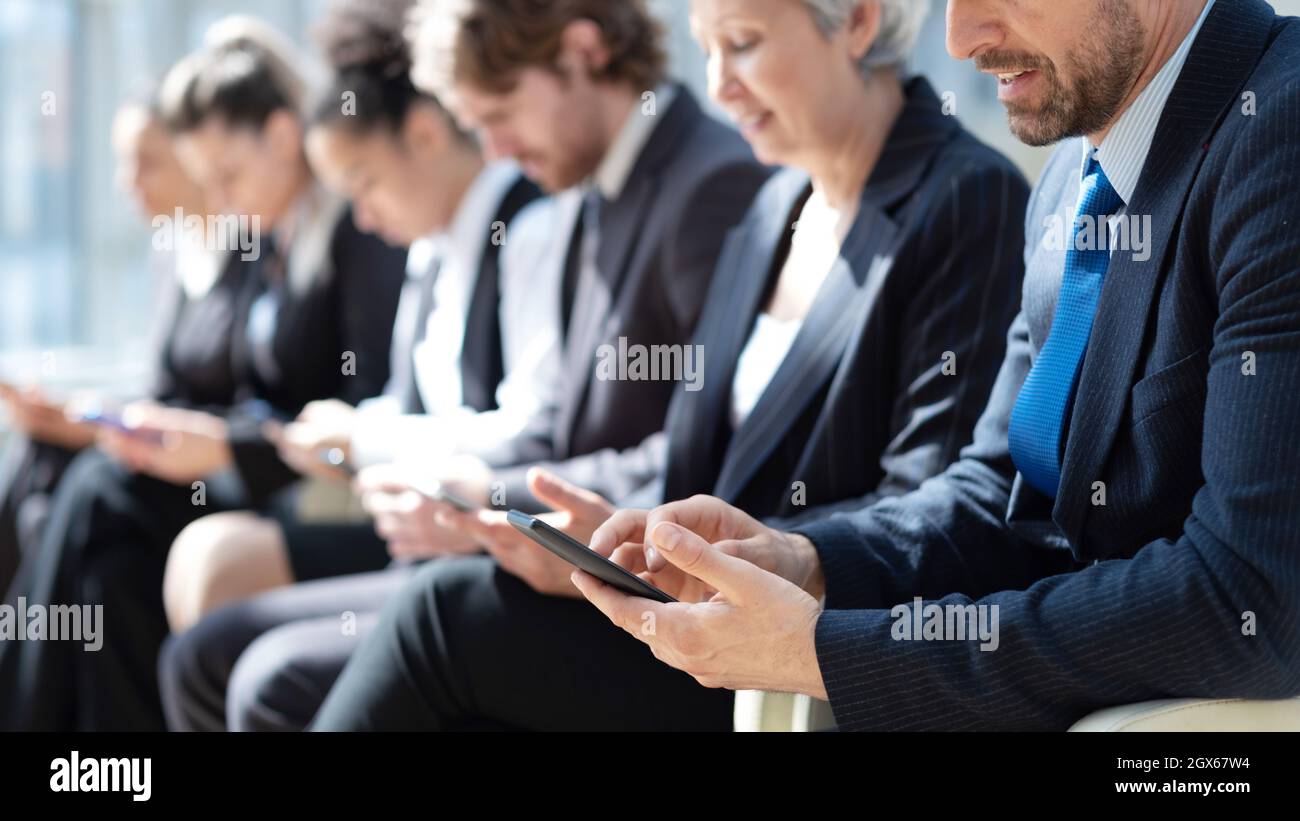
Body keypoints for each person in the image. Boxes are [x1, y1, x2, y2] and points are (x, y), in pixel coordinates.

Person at [552, 0, 1300, 731]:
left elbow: (1250, 596)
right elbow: (1001, 494)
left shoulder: (1279, 133)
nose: (959, 38)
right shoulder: (1070, 181)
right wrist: (801, 558)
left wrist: (826, 650)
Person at [306, 0, 1029, 732]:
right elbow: (697, 456)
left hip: (804, 654)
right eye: (706, 50)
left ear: (858, 22)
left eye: (743, 44)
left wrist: (726, 556)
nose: (718, 86)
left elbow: (934, 511)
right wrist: (620, 533)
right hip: (694, 612)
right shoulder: (776, 203)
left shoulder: (966, 196)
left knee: (442, 617)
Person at [159, 0, 769, 731]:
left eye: (500, 112)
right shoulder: (588, 189)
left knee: (272, 669)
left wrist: (486, 495)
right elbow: (552, 423)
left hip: (637, 598)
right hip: (557, 554)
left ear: (583, 53)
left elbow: (710, 456)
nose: (496, 148)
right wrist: (480, 497)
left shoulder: (703, 185)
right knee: (216, 651)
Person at [0, 19, 407, 731]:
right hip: (261, 466)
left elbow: (363, 407)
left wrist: (223, 442)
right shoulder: (275, 239)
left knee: (100, 493)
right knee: (108, 562)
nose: (217, 199)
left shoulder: (351, 231)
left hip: (313, 488)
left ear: (283, 137)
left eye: (226, 175)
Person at [158, 0, 552, 634]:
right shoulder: (429, 249)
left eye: (364, 184)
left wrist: (360, 439)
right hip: (415, 518)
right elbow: (404, 402)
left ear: (424, 134)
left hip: (468, 534)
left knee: (217, 583)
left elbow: (535, 433)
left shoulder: (528, 228)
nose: (364, 217)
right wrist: (348, 435)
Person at [0, 98, 214, 596]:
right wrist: (79, 419)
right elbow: (162, 390)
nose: (127, 181)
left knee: (93, 496)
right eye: (124, 161)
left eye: (149, 161)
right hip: (161, 441)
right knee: (37, 449)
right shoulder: (172, 256)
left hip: (196, 466)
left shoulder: (248, 253)